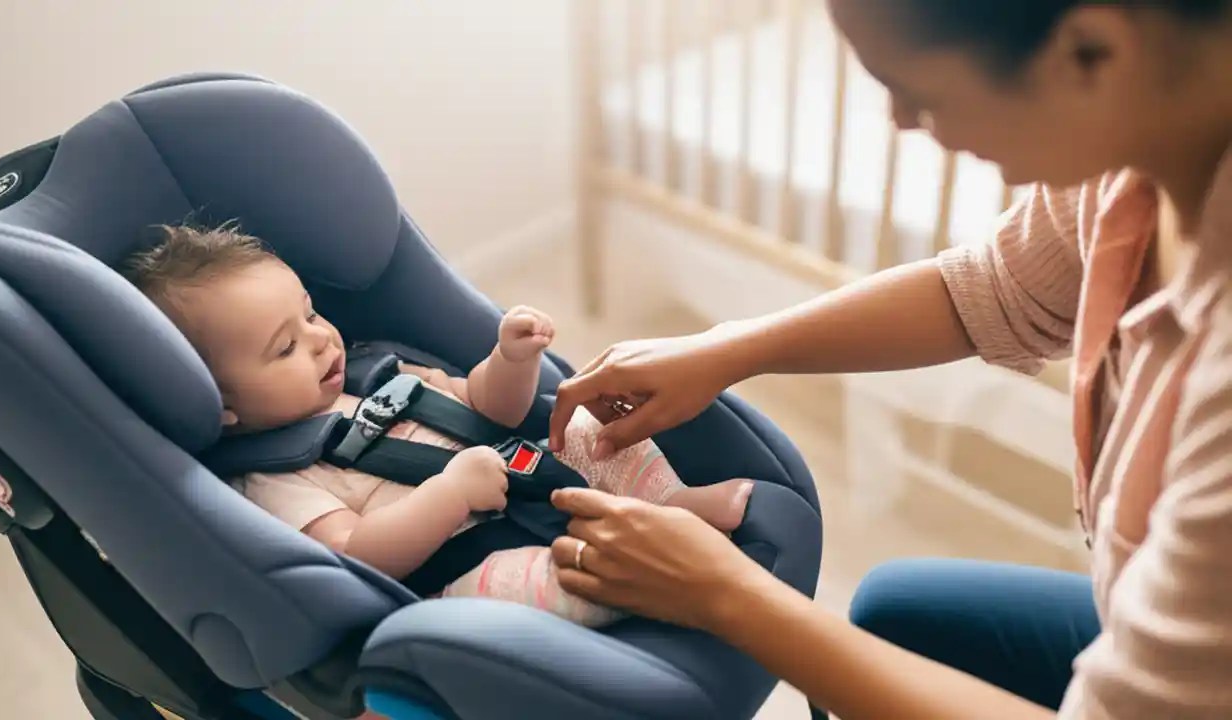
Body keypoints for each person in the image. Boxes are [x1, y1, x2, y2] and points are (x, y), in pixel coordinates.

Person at [544, 1, 1232, 717]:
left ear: (1092, 52)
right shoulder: (1129, 172)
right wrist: (728, 348)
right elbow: (999, 286)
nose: (901, 122)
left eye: (923, 96)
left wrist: (724, 593)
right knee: (888, 610)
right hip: (1133, 604)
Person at [121, 224, 753, 628]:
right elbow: (355, 556)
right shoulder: (274, 477)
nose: (320, 342)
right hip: (470, 568)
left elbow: (486, 405)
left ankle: (670, 505)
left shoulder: (375, 370)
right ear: (219, 403)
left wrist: (511, 359)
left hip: (532, 471)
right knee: (536, 588)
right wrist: (448, 495)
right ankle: (640, 568)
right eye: (285, 348)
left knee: (587, 426)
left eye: (311, 315)